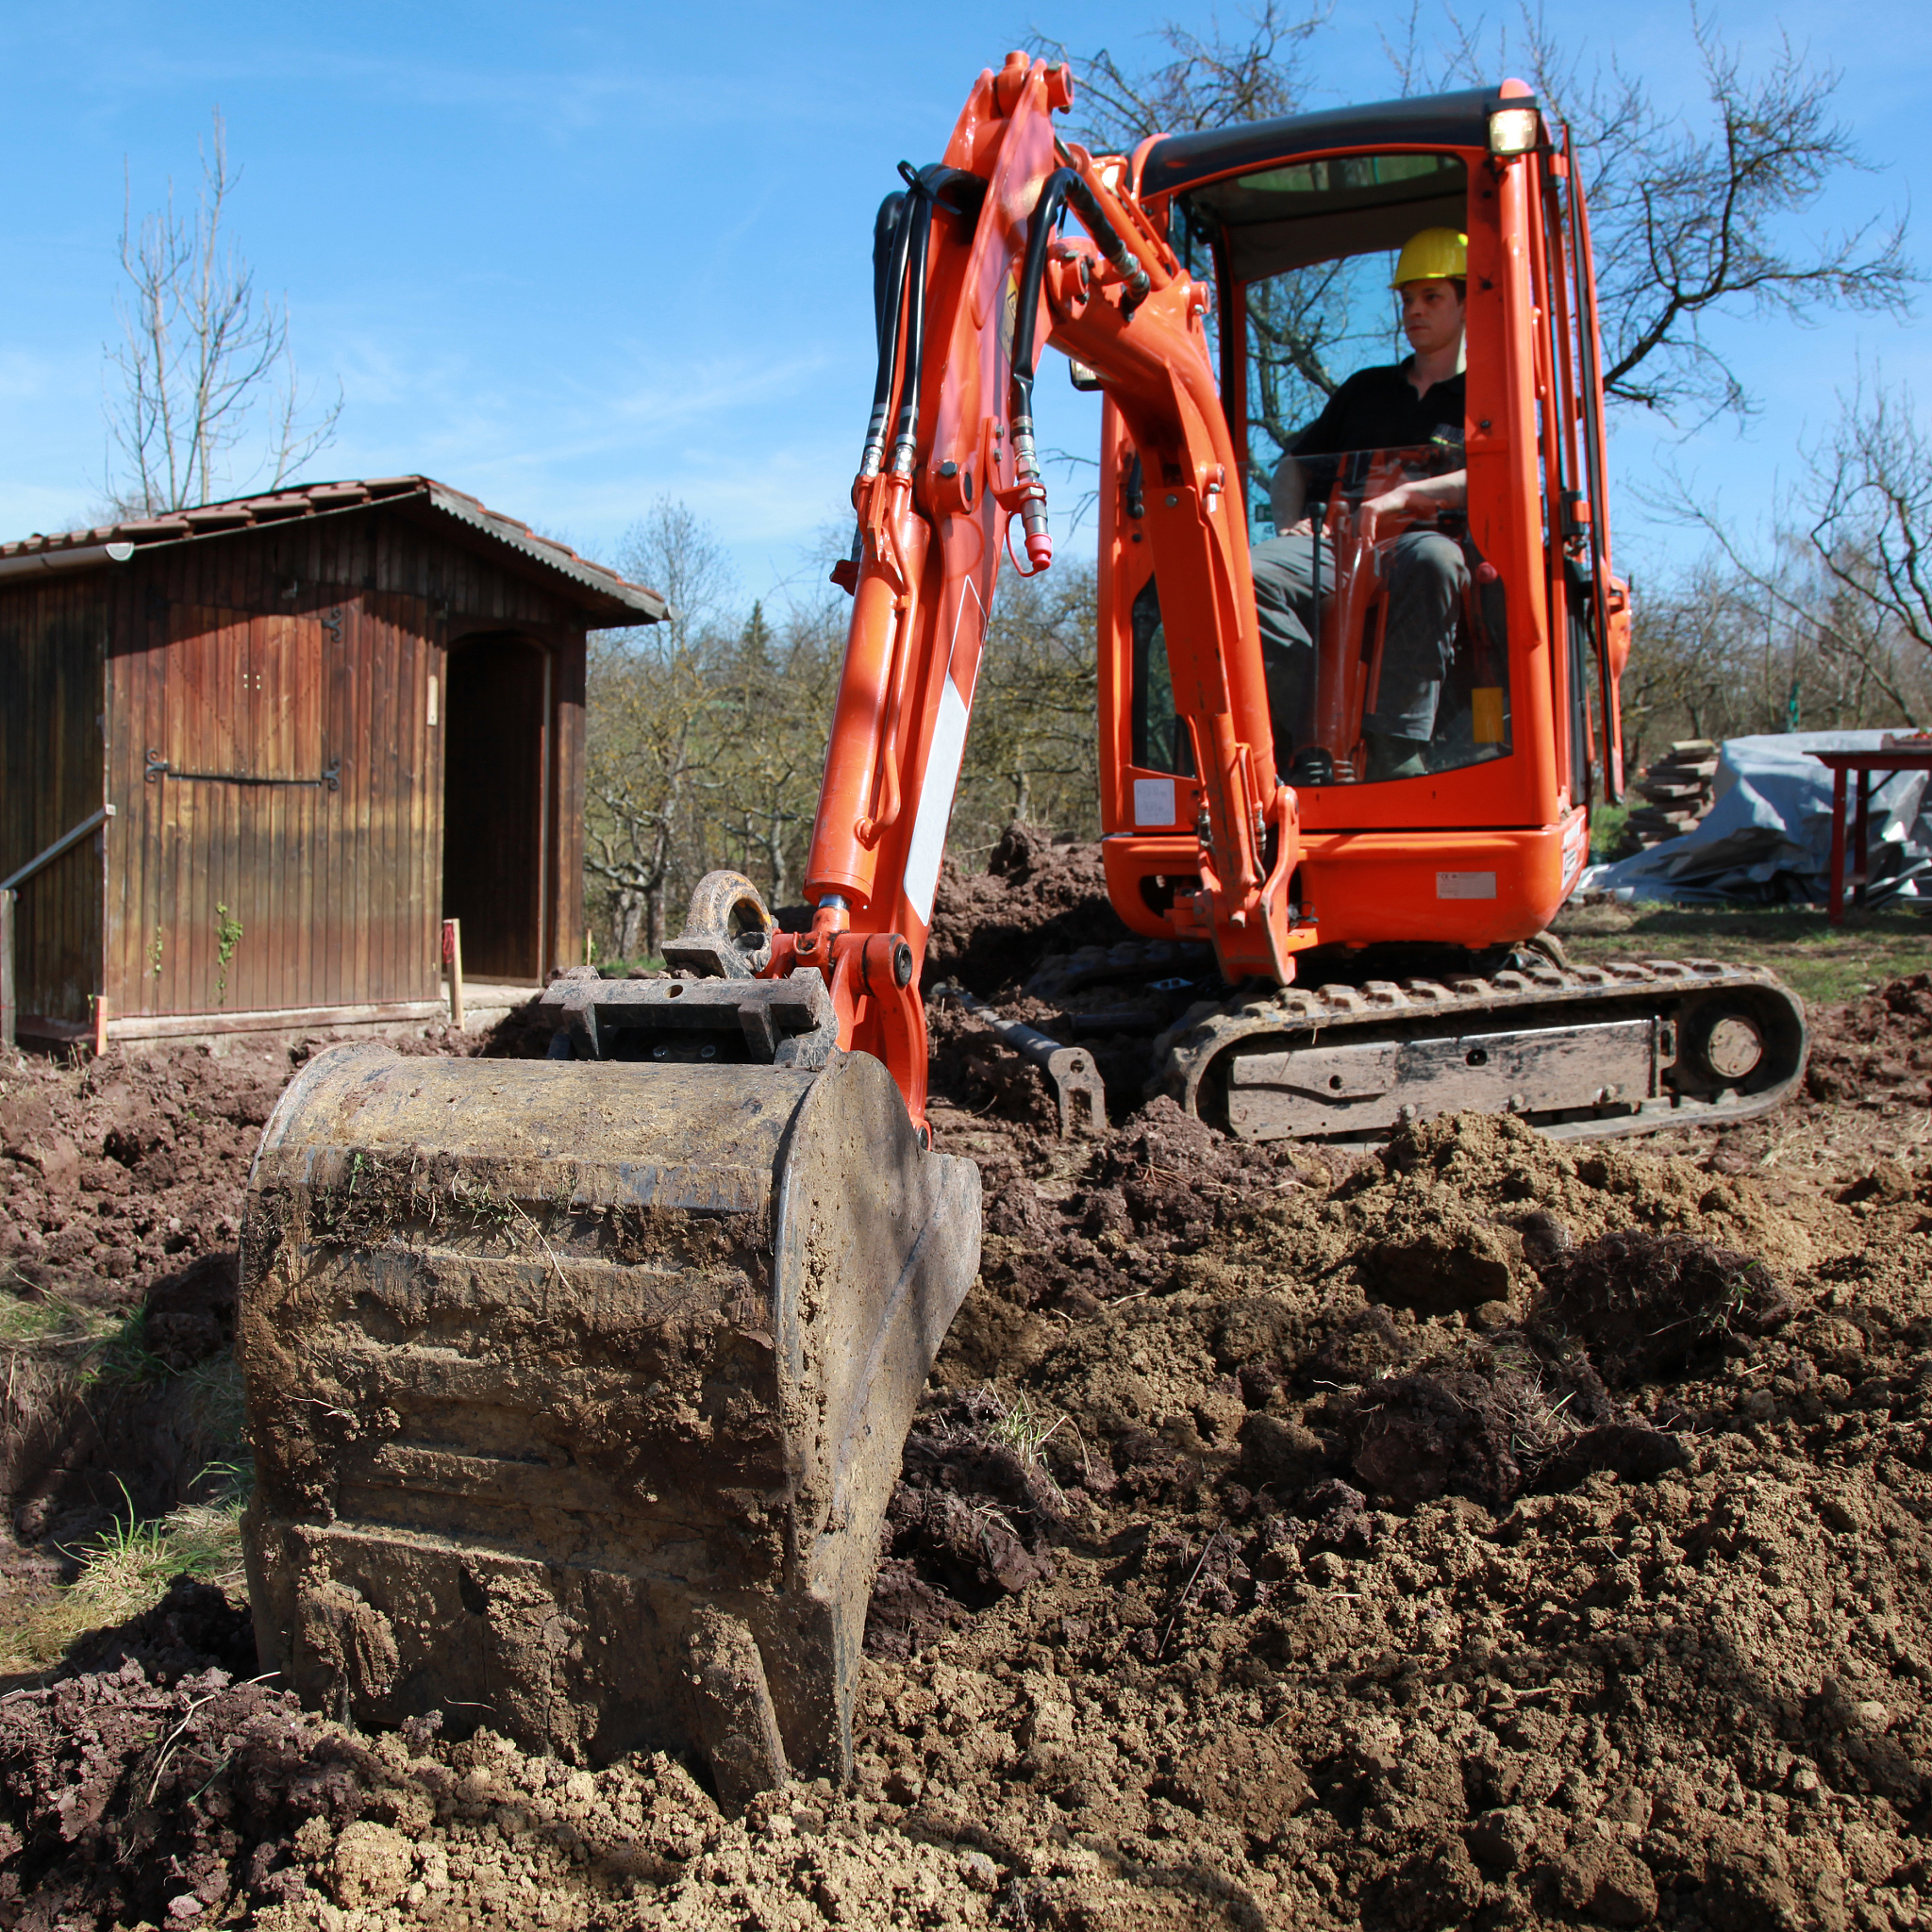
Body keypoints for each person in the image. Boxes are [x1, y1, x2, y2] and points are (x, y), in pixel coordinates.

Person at [1252, 227, 1471, 783]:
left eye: (1431, 298)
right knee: (1241, 576)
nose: (1413, 311)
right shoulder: (1365, 389)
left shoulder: (1488, 394)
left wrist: (1406, 495)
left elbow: (1497, 476)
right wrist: (1289, 524)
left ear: (1468, 302)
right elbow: (1292, 466)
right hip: (1335, 543)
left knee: (1437, 561)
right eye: (1406, 300)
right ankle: (1316, 731)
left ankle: (1395, 745)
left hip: (1415, 543)